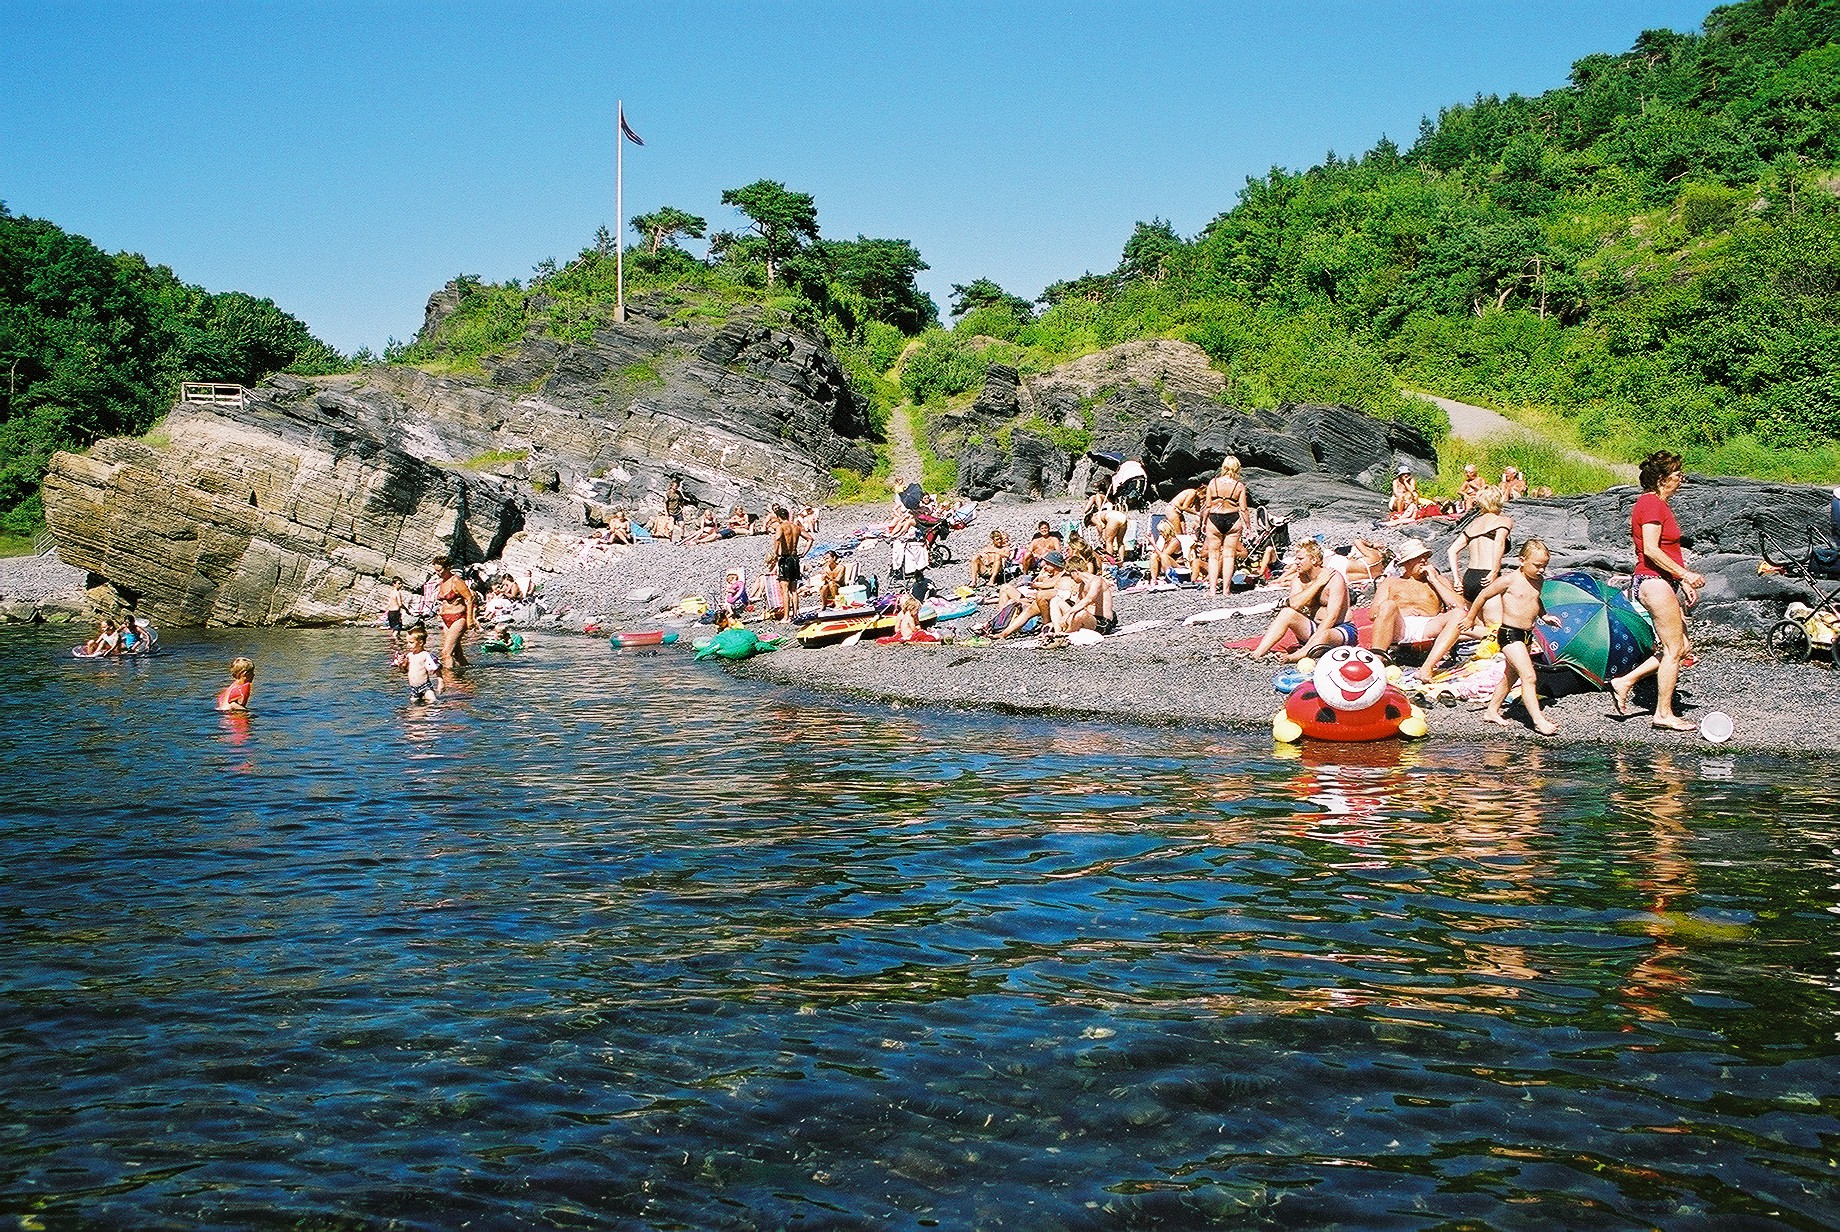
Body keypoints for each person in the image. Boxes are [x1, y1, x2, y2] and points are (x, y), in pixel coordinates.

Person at [1610, 451, 1705, 731]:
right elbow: (1651, 550)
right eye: (1677, 474)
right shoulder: (1651, 504)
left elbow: (1667, 550)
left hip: (1663, 581)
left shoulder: (1658, 504)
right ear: (1662, 479)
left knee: (1682, 647)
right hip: (1653, 581)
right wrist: (1685, 574)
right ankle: (1663, 713)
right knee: (1673, 649)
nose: (1682, 478)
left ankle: (1625, 681)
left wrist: (1681, 581)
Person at [1471, 540, 1560, 735]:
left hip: (1527, 635)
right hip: (1509, 634)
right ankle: (1538, 721)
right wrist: (1470, 618)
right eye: (1537, 565)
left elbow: (1534, 599)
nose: (1541, 570)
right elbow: (1483, 595)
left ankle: (1491, 711)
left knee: (1510, 676)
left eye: (1544, 566)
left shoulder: (1539, 580)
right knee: (1529, 676)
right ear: (1522, 560)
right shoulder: (1509, 580)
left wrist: (1544, 616)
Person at [1248, 540, 1353, 661]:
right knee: (1286, 612)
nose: (1296, 562)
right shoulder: (1298, 579)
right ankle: (1258, 653)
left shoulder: (1334, 578)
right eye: (1296, 559)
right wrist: (1318, 583)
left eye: (1300, 559)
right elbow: (1295, 605)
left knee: (1325, 635)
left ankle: (1293, 657)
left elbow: (1332, 617)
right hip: (1314, 627)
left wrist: (1313, 640)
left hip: (1339, 628)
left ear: (1314, 560)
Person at [1370, 539, 1466, 657]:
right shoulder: (1390, 582)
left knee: (1458, 613)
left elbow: (1460, 606)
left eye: (1425, 557)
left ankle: (1431, 660)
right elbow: (1373, 614)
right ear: (1407, 563)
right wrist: (1401, 611)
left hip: (1428, 625)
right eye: (1418, 557)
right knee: (1388, 605)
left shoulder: (1439, 581)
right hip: (1399, 624)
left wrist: (1434, 580)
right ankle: (1378, 656)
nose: (1423, 560)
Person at [1447, 486, 1515, 607]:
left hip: (1469, 577)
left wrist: (1457, 579)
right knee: (1495, 618)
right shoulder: (1502, 521)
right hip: (1487, 576)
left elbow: (1452, 550)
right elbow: (1499, 542)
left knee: (1473, 617)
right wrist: (1494, 571)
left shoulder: (1473, 524)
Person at [1202, 457, 1250, 597]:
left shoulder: (1213, 483)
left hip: (1214, 518)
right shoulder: (1239, 486)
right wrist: (1248, 526)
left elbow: (1207, 506)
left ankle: (1212, 590)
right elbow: (1243, 509)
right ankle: (1226, 590)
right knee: (1229, 555)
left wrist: (1203, 522)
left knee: (1213, 556)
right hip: (1232, 519)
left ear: (1223, 467)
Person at [765, 504, 808, 620]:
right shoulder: (796, 527)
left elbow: (778, 538)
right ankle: (796, 614)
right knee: (794, 589)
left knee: (784, 590)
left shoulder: (781, 527)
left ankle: (786, 617)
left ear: (779, 517)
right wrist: (804, 553)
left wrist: (775, 553)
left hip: (785, 558)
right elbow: (810, 539)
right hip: (795, 558)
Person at [433, 556, 476, 670]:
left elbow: (470, 598)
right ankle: (470, 672)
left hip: (458, 618)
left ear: (448, 568)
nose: (437, 573)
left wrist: (470, 619)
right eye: (436, 570)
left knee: (446, 653)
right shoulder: (442, 582)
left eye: (440, 570)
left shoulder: (456, 580)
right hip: (446, 620)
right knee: (457, 655)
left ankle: (449, 677)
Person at [401, 628, 443, 705]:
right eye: (407, 642)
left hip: (425, 686)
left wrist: (440, 682)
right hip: (413, 688)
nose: (408, 645)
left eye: (411, 642)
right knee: (413, 705)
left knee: (432, 700)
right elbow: (404, 671)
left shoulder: (425, 655)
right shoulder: (409, 656)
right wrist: (401, 664)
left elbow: (436, 668)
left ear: (420, 642)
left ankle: (442, 707)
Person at [383, 577, 407, 641]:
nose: (401, 585)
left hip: (390, 613)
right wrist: (406, 609)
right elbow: (400, 604)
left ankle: (395, 643)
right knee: (397, 628)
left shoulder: (391, 593)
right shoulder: (397, 593)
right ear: (394, 584)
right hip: (395, 612)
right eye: (399, 583)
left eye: (401, 583)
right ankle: (395, 640)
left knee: (394, 628)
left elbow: (389, 603)